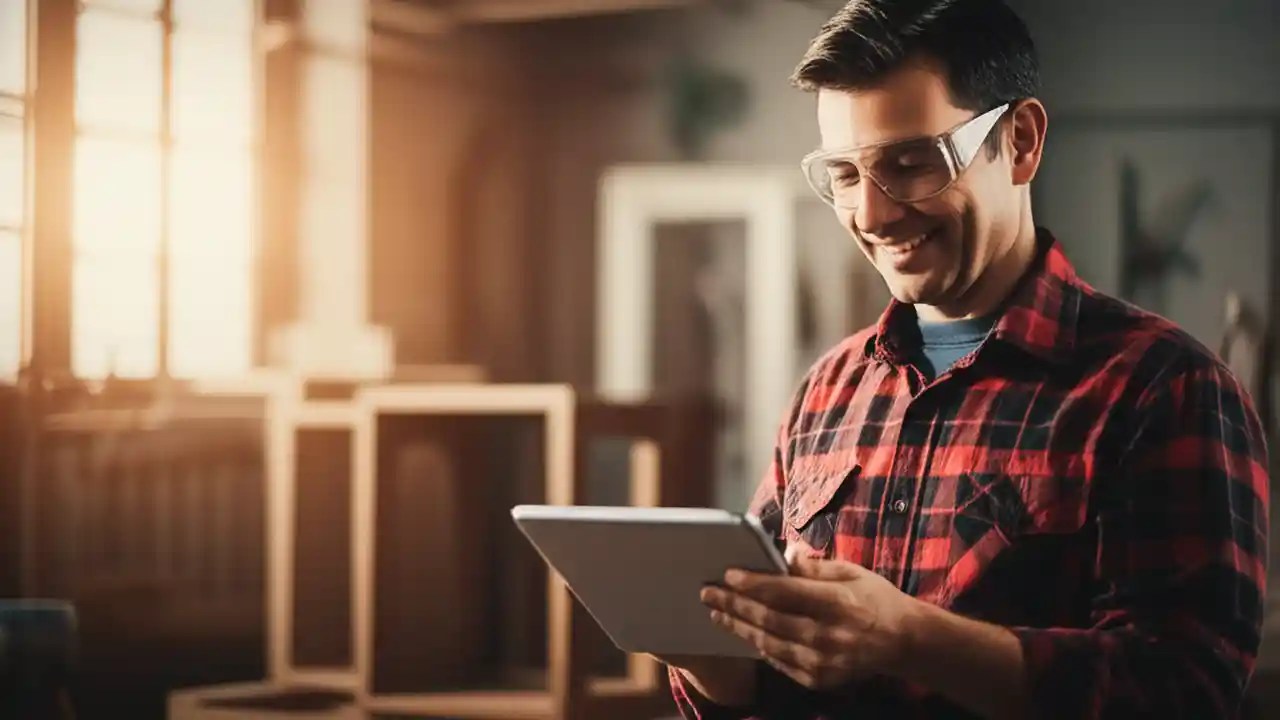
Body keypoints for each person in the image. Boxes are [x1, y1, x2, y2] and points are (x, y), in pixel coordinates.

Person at [662, 1, 1270, 718]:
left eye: (912, 164)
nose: (873, 216)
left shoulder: (1165, 388)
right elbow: (769, 684)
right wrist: (712, 664)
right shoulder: (824, 393)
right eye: (846, 176)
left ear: (1019, 142)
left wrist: (911, 640)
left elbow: (1187, 688)